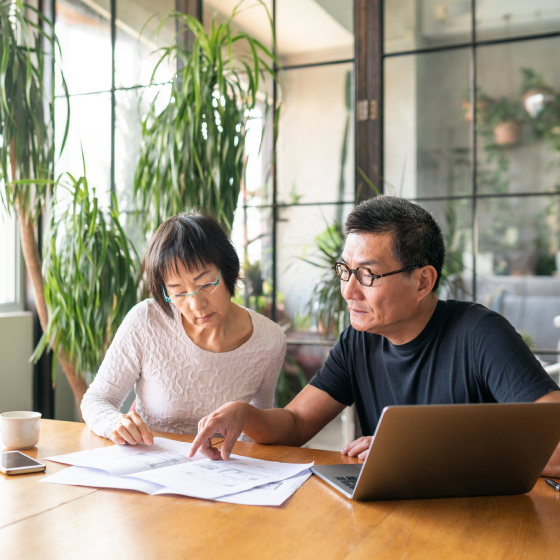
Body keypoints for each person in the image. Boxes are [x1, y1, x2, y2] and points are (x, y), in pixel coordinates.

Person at [188, 196, 560, 477]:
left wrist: (424, 449)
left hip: (481, 516)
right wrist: (245, 415)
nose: (348, 291)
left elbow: (555, 445)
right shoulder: (359, 341)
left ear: (422, 281)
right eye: (344, 271)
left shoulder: (480, 334)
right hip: (397, 514)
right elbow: (297, 424)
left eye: (366, 275)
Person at [81, 212, 286, 446]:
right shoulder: (146, 320)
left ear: (227, 269)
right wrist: (114, 423)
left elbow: (258, 430)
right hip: (152, 464)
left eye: (206, 284)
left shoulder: (270, 339)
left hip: (224, 470)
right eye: (178, 292)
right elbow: (97, 399)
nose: (196, 304)